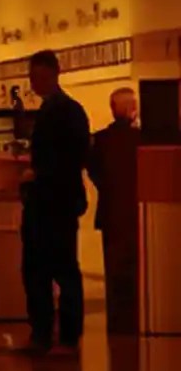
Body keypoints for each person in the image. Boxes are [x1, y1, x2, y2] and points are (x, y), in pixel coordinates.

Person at [20, 50, 91, 353]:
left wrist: (37, 174)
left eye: (36, 76)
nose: (33, 82)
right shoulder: (65, 110)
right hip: (54, 202)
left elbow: (69, 158)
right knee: (48, 268)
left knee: (53, 268)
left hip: (54, 203)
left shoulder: (63, 112)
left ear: (51, 74)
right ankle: (53, 333)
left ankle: (55, 334)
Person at [88, 87, 141, 335]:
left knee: (114, 270)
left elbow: (94, 171)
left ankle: (116, 322)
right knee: (136, 271)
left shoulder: (100, 141)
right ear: (133, 109)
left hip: (110, 212)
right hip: (136, 213)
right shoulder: (143, 140)